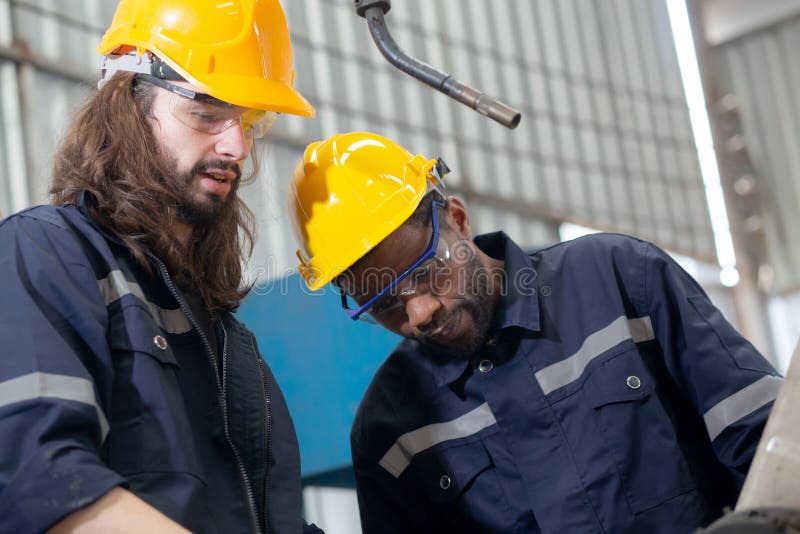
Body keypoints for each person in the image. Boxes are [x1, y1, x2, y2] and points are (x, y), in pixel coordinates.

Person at [287, 131, 782, 533]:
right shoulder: (390, 429)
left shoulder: (620, 280)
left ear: (457, 220)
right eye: (384, 303)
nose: (418, 313)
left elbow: (768, 446)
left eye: (426, 274)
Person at [0, 1, 322, 533]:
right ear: (127, 101)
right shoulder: (45, 254)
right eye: (206, 114)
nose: (236, 145)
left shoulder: (227, 342)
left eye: (249, 120)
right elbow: (36, 478)